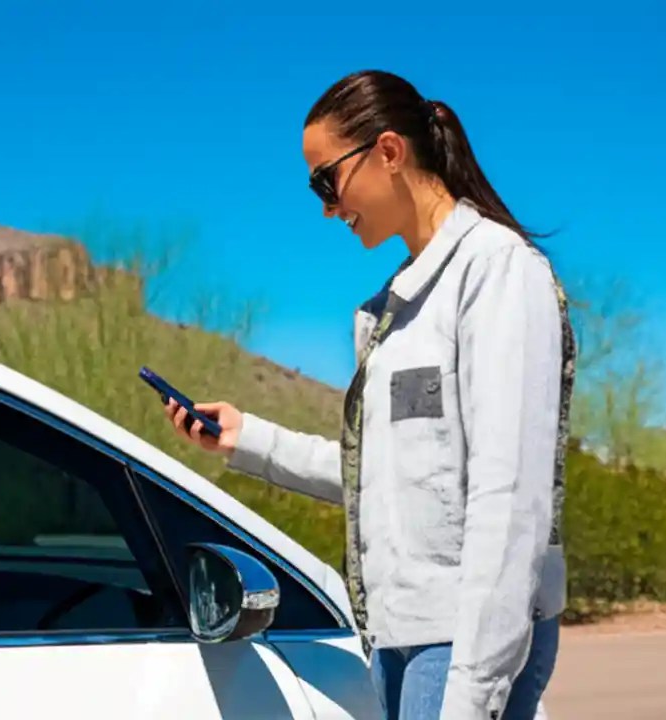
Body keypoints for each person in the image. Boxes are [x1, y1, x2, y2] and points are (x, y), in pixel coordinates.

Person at [163, 69, 574, 720]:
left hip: (463, 640)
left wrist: (472, 694)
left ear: (388, 151)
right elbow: (386, 477)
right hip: (395, 638)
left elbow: (511, 501)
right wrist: (248, 441)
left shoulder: (497, 272)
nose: (327, 207)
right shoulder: (390, 311)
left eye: (327, 180)